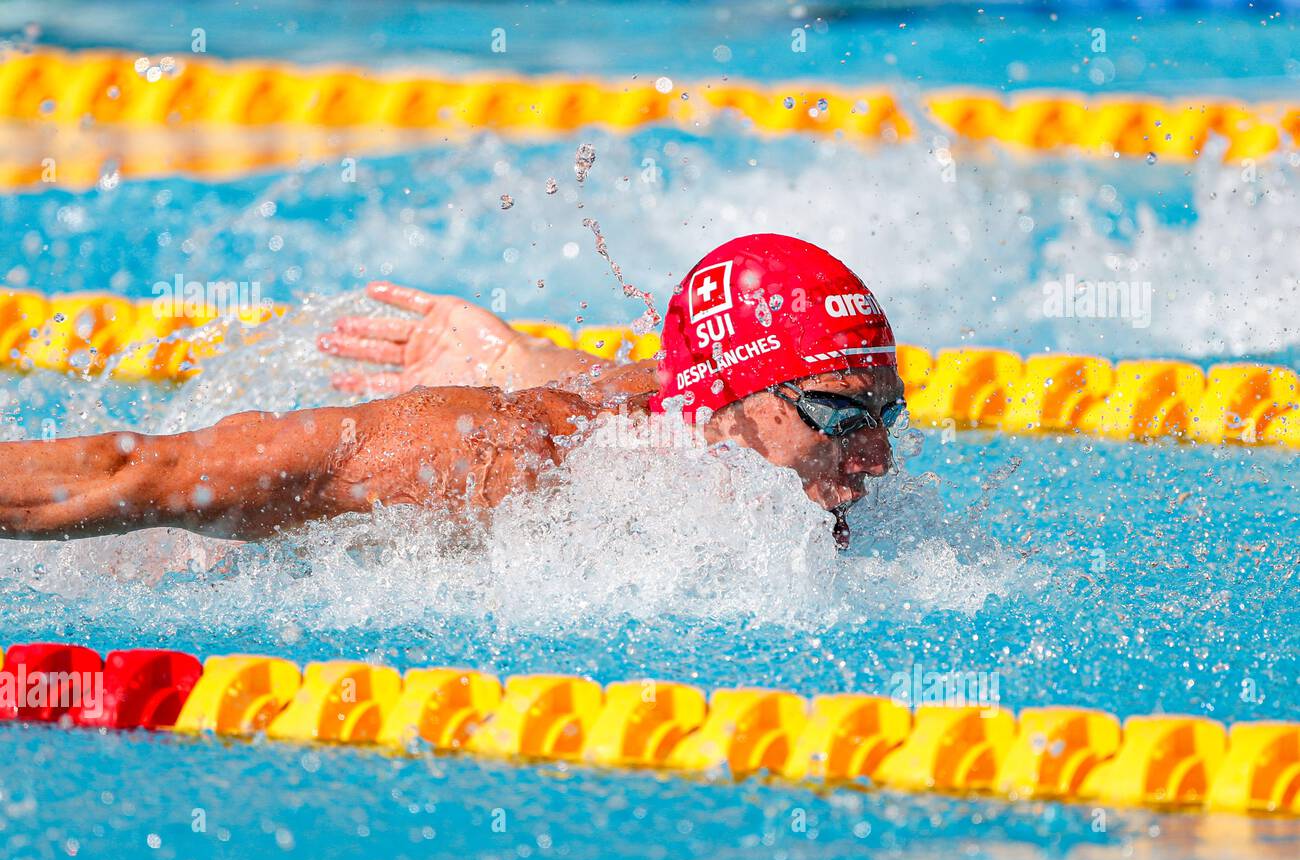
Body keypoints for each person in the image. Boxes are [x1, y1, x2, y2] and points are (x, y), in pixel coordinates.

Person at [0, 234, 904, 547]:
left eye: (888, 410)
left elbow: (656, 382)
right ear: (742, 399)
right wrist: (504, 391)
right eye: (846, 415)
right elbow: (148, 471)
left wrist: (513, 360)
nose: (880, 455)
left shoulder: (716, 425)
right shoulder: (493, 456)